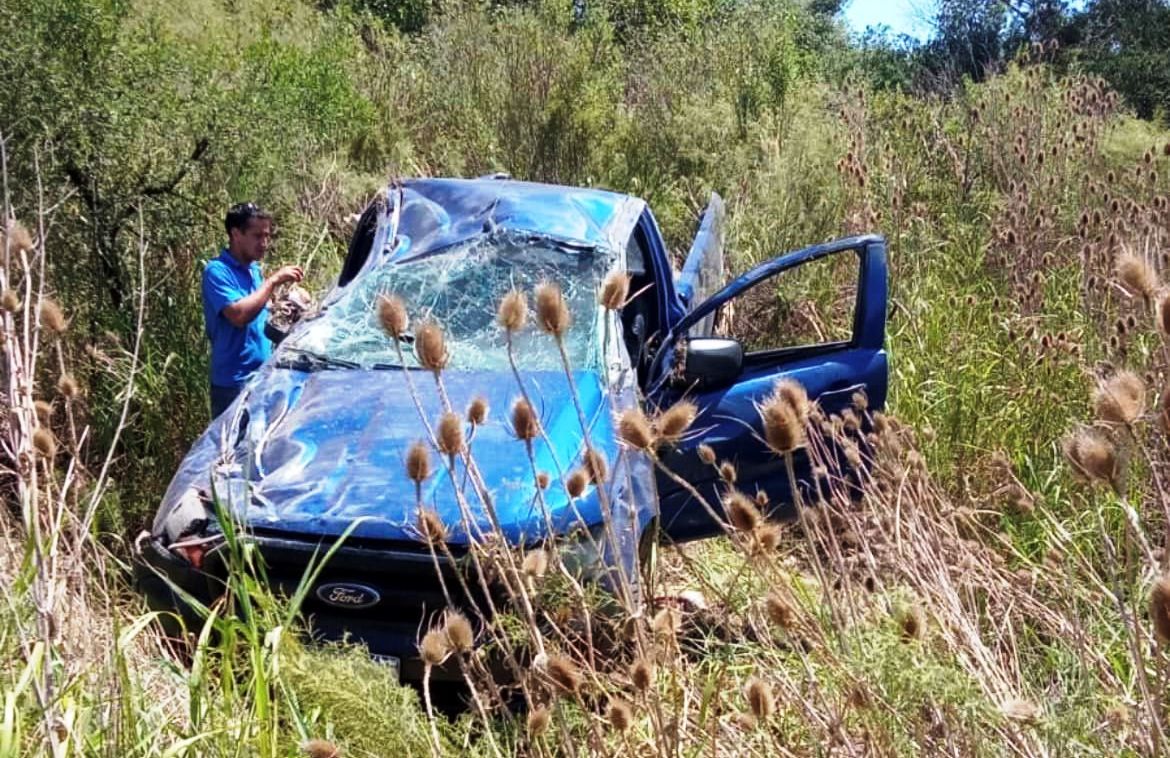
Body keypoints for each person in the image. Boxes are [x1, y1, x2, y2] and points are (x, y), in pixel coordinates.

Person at [202, 202, 303, 418]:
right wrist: (274, 281)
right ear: (236, 234)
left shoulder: (253, 270)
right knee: (233, 450)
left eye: (267, 236)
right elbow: (239, 315)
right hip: (234, 385)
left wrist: (278, 307)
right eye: (257, 236)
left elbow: (258, 306)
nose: (264, 243)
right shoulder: (217, 272)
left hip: (264, 376)